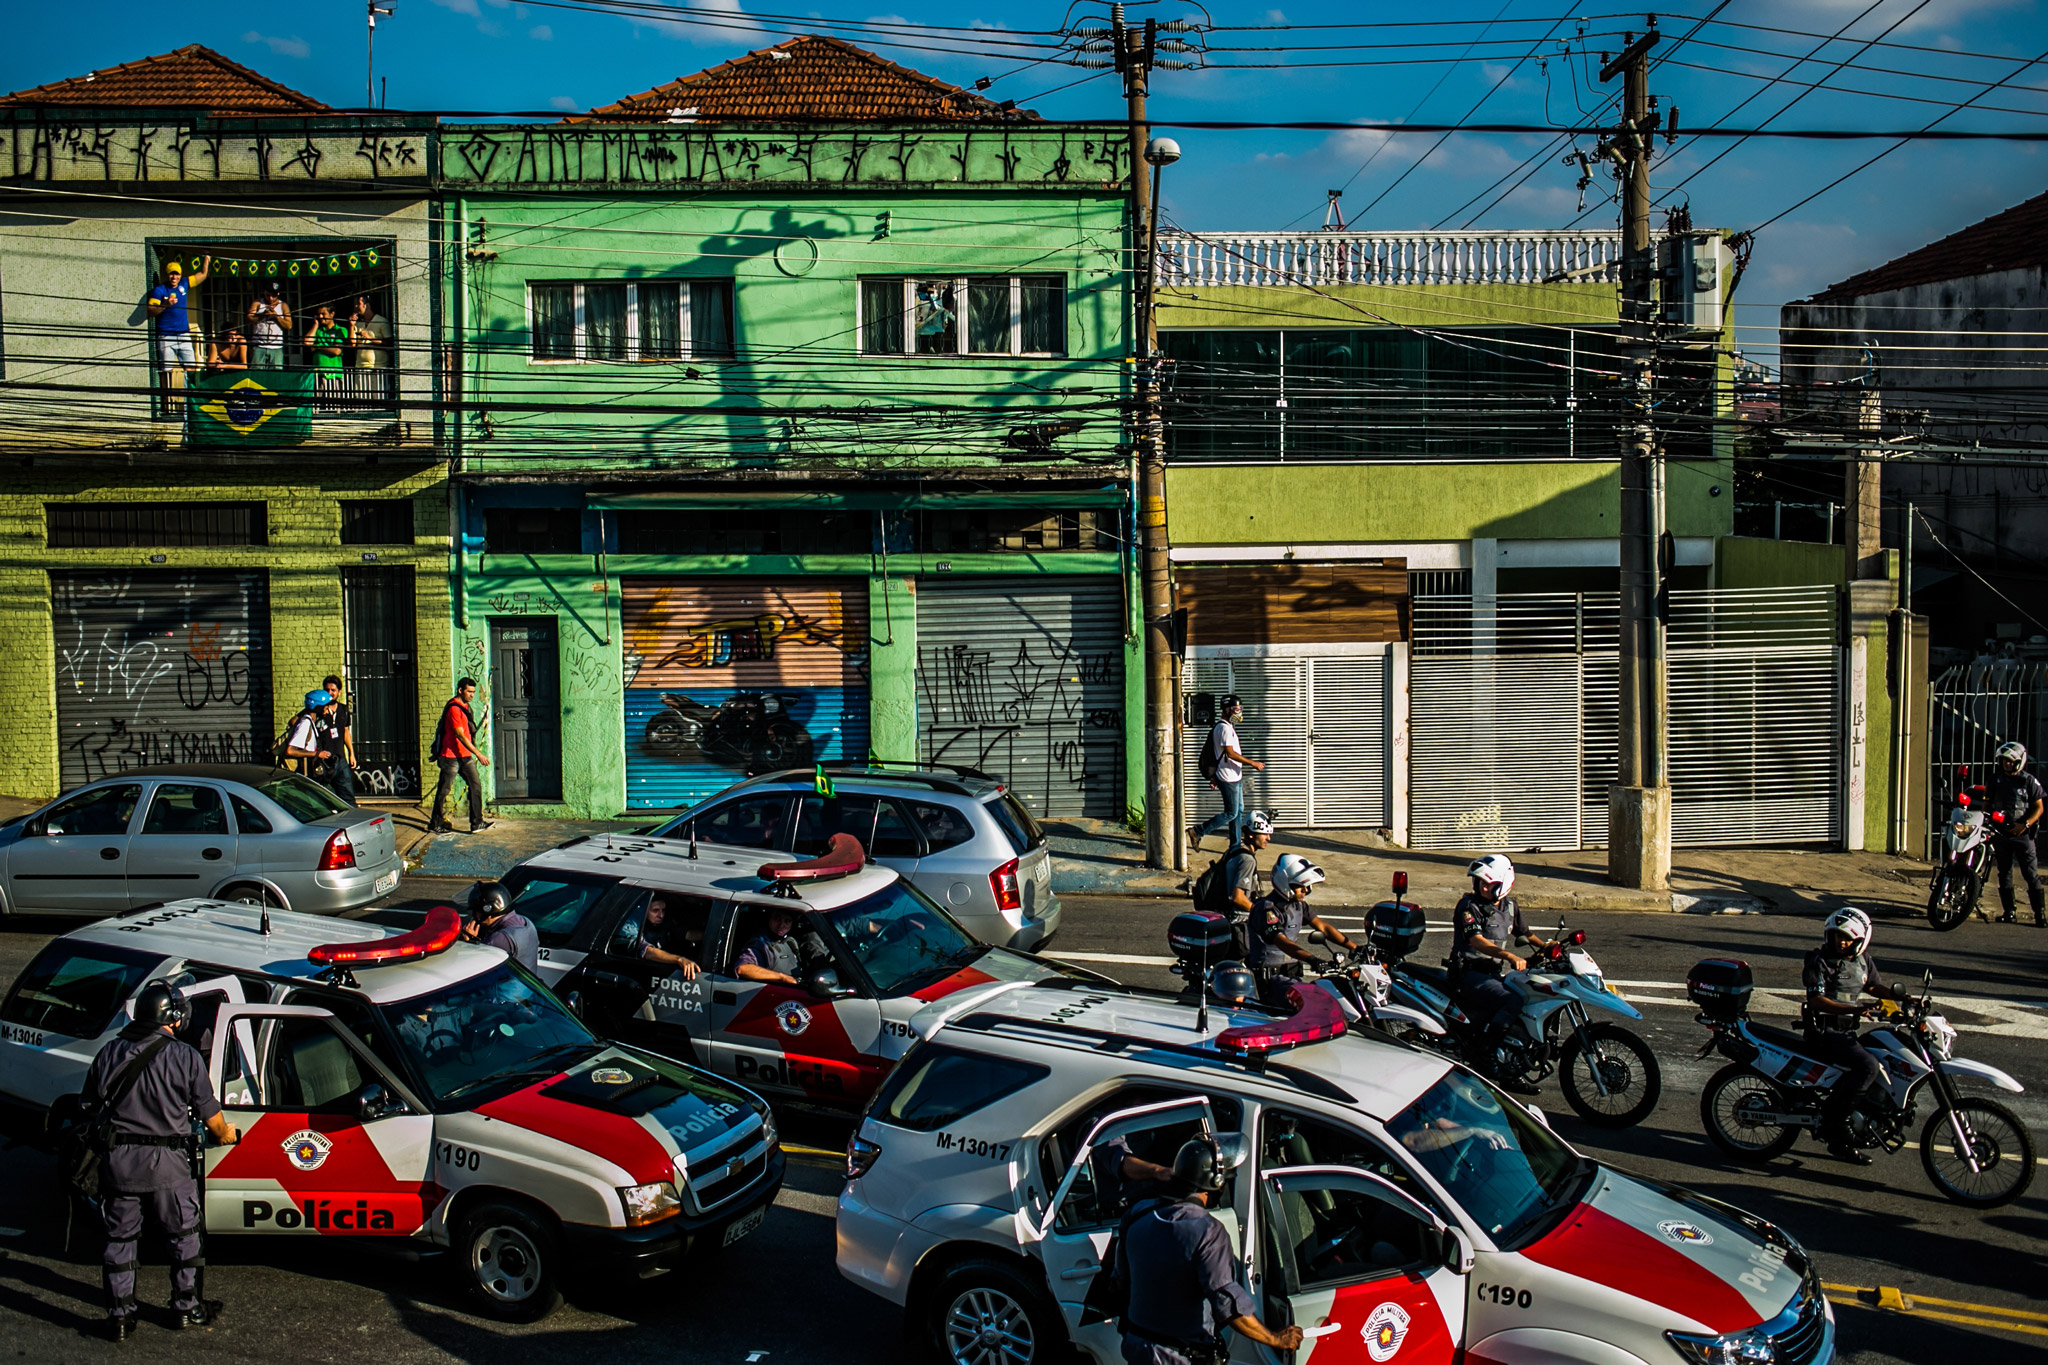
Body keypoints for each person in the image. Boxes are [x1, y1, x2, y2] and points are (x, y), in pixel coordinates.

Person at [82, 981, 239, 1341]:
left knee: (119, 1241)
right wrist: (225, 1134)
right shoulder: (185, 1057)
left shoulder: (108, 1053)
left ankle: (120, 1317)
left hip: (119, 1165)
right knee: (184, 1237)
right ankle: (186, 1307)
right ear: (172, 1017)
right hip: (168, 1167)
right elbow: (210, 1115)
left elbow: (89, 1107)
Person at [1114, 1136, 1303, 1365]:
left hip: (1138, 1349)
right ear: (1216, 1182)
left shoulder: (1137, 1214)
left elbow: (1122, 1282)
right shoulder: (1208, 1231)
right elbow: (1228, 1306)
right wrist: (1275, 1338)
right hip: (1179, 1357)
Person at [1801, 905, 1908, 1164]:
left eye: (1847, 938)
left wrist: (1900, 999)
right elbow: (1816, 999)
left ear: (1860, 941)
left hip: (1846, 1032)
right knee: (1868, 1066)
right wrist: (1856, 1009)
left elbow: (1872, 985)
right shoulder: (1820, 961)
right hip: (1825, 1032)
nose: (1841, 942)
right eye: (1837, 936)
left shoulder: (1863, 960)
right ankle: (1835, 1127)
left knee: (1883, 1055)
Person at [1448, 853, 1554, 1096]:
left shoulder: (1510, 906)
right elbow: (1476, 941)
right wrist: (1510, 957)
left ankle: (1511, 1068)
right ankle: (1486, 1055)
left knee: (1525, 997)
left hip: (1492, 974)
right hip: (1469, 975)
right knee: (1511, 1000)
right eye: (1480, 883)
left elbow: (1524, 934)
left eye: (1489, 884)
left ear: (1504, 884)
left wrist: (1548, 948)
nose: (1483, 888)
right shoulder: (1469, 907)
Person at [1248, 854, 1356, 1007]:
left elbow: (1323, 927)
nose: (1306, 890)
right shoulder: (1266, 910)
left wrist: (1355, 947)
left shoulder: (1298, 905)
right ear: (1285, 883)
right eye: (1300, 886)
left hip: (1291, 975)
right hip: (1270, 981)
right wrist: (1312, 959)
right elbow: (1282, 941)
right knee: (1311, 1005)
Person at [1188, 696, 1263, 853]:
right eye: (1236, 709)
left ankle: (1234, 845)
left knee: (1238, 811)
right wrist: (1252, 763)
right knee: (1231, 812)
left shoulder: (1228, 726)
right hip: (1228, 777)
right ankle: (1198, 831)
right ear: (1227, 709)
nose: (1238, 712)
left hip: (1234, 775)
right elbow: (1229, 753)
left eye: (1239, 709)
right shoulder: (1224, 728)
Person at [1986, 741, 2045, 926]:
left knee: (2030, 874)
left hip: (2023, 835)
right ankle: (2009, 911)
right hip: (2001, 833)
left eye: (2010, 761)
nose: (2006, 764)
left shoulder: (2028, 781)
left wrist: (2024, 825)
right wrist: (1989, 821)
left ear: (2019, 762)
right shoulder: (1995, 779)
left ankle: (2039, 914)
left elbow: (2039, 807)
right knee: (2004, 873)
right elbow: (1987, 803)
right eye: (2004, 761)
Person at [428, 677, 493, 834]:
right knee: (444, 790)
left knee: (475, 786)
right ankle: (435, 823)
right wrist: (478, 754)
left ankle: (477, 823)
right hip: (450, 757)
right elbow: (460, 736)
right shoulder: (454, 709)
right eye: (469, 691)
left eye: (473, 692)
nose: (472, 695)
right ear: (460, 690)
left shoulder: (465, 707)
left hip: (464, 756)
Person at [145, 257, 211, 404]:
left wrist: (207, 257)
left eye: (177, 274)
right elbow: (150, 311)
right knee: (166, 372)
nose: (174, 277)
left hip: (184, 334)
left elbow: (203, 274)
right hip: (166, 336)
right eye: (171, 274)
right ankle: (166, 404)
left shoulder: (184, 284)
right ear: (167, 275)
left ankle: (193, 403)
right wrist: (166, 304)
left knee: (192, 370)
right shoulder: (159, 290)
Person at [464, 881, 539, 971]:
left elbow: (474, 966)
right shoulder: (526, 923)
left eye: (476, 910)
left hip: (508, 984)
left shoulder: (499, 938)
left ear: (487, 909)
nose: (474, 915)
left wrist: (470, 944)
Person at [623, 896, 701, 978]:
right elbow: (646, 951)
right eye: (655, 910)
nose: (661, 915)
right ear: (643, 910)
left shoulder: (664, 922)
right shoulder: (630, 926)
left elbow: (687, 934)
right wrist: (679, 960)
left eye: (663, 910)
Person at [735, 906, 810, 985]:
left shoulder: (790, 941)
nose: (781, 925)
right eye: (777, 919)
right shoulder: (761, 944)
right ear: (769, 919)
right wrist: (782, 977)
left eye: (787, 921)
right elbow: (743, 968)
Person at [317, 674, 358, 806]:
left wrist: (351, 753)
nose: (330, 693)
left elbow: (346, 732)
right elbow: (294, 722)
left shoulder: (343, 710)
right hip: (322, 762)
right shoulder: (317, 710)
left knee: (348, 797)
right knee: (320, 797)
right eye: (327, 690)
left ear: (339, 692)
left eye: (333, 690)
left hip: (340, 759)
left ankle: (352, 822)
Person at [283, 689, 338, 779]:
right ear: (318, 707)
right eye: (326, 707)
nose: (328, 711)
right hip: (303, 774)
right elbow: (290, 751)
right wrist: (317, 754)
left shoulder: (312, 723)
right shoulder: (305, 723)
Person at [305, 305, 348, 397]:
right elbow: (307, 342)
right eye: (318, 314)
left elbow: (337, 351)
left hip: (333, 375)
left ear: (332, 314)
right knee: (316, 406)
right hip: (318, 374)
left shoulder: (340, 330)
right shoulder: (318, 331)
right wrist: (315, 325)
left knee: (333, 405)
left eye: (323, 314)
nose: (320, 316)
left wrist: (318, 347)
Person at [246, 283, 291, 369]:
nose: (270, 298)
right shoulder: (257, 303)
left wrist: (276, 316)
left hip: (276, 346)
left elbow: (288, 325)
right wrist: (262, 316)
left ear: (278, 294)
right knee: (256, 370)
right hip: (259, 345)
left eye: (273, 296)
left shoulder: (283, 306)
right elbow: (248, 319)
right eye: (268, 295)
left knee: (276, 371)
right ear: (264, 292)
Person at [350, 294, 392, 370]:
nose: (356, 306)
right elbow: (352, 344)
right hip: (360, 366)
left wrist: (369, 338)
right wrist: (351, 325)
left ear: (367, 305)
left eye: (358, 304)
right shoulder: (358, 324)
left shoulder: (381, 321)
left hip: (378, 367)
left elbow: (389, 343)